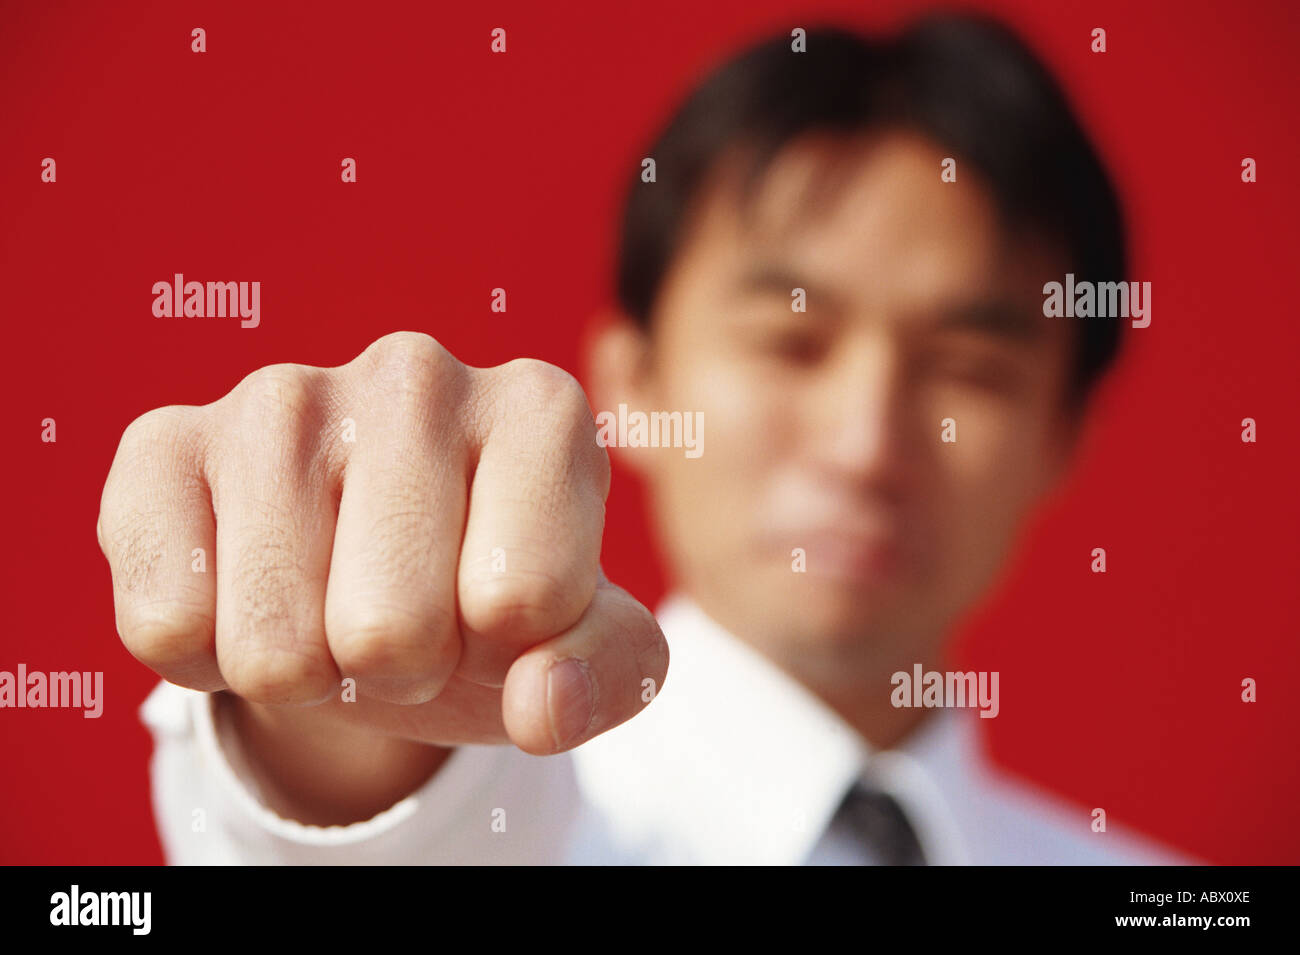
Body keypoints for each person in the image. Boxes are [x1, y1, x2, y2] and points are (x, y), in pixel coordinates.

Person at [100, 15, 1194, 864]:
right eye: (791, 341)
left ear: (1063, 436)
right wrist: (334, 732)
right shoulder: (492, 803)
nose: (867, 444)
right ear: (630, 378)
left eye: (970, 370)